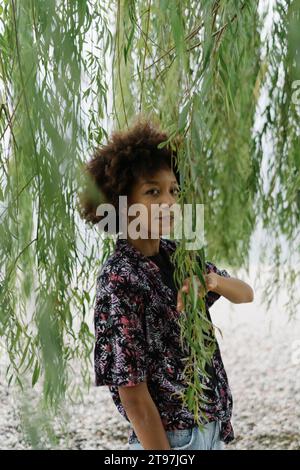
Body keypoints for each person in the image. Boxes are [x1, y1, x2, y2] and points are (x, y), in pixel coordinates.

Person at [79, 116, 254, 450]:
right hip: (173, 440)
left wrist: (212, 281)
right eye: (152, 192)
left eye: (174, 191)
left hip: (212, 431)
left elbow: (245, 294)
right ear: (121, 203)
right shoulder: (120, 280)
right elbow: (133, 396)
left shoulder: (179, 257)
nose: (169, 203)